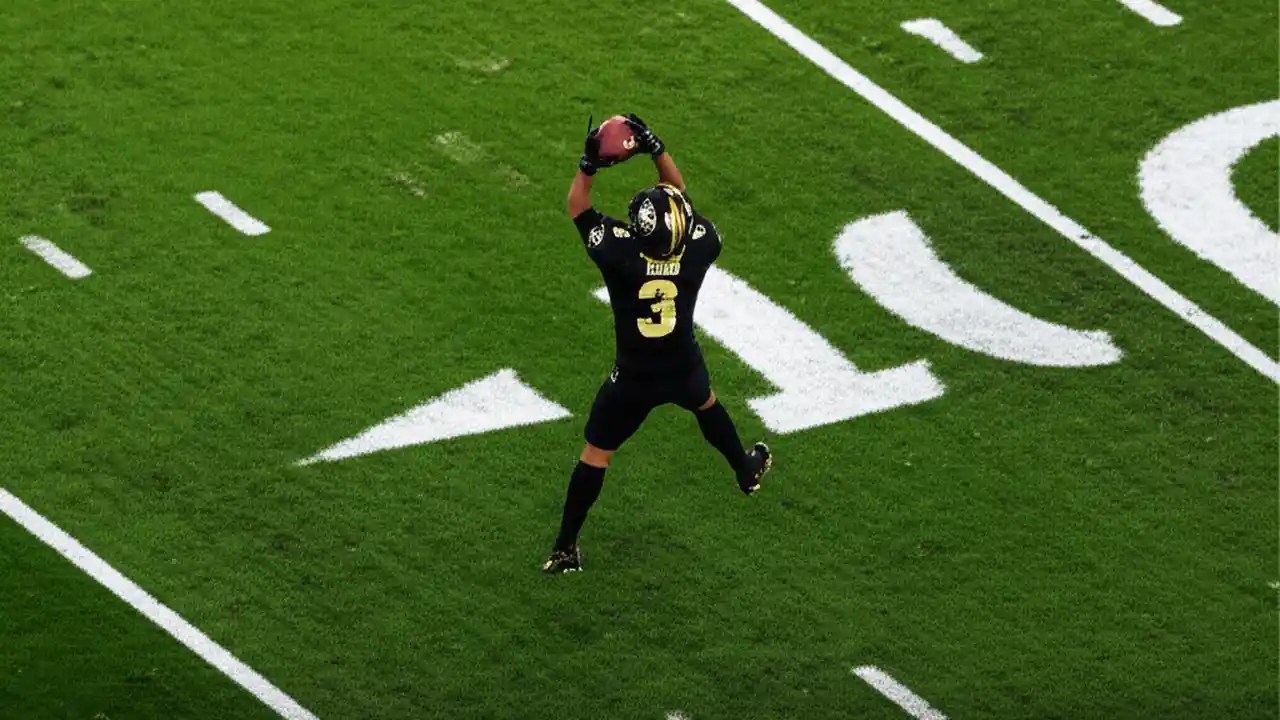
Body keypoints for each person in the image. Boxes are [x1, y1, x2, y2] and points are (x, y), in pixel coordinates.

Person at [542, 115, 773, 574]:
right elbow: (680, 196)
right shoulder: (700, 247)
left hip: (631, 376)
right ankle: (744, 469)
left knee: (595, 455)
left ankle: (566, 547)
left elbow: (577, 204)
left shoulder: (619, 253)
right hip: (681, 362)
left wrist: (589, 163)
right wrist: (656, 148)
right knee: (707, 404)